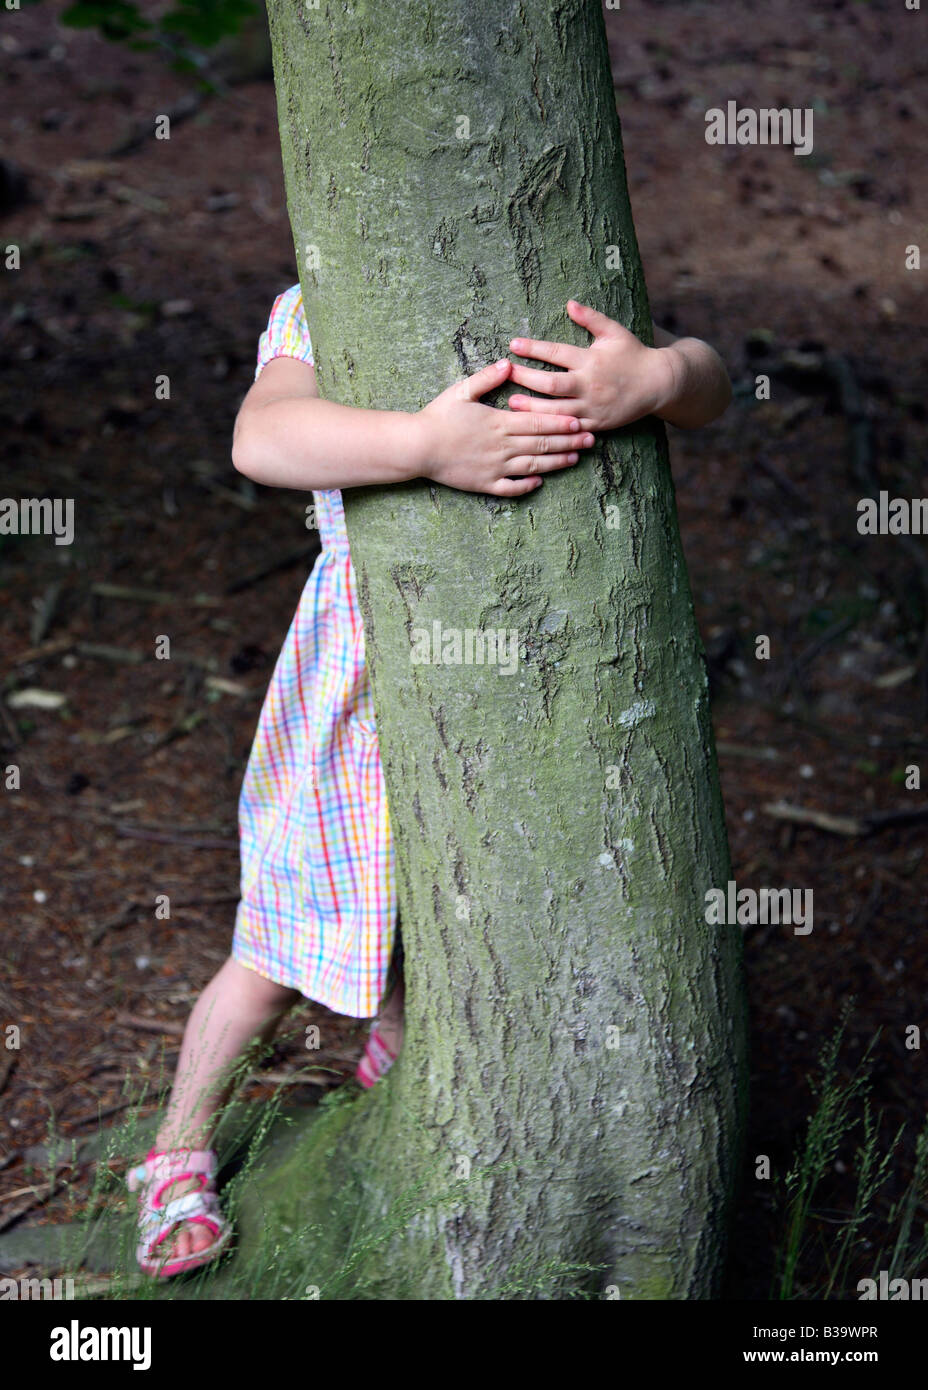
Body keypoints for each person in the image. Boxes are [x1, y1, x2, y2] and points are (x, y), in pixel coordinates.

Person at [127, 285, 732, 1278]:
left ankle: (397, 1049)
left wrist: (662, 374)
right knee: (277, 944)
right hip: (363, 679)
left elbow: (707, 383)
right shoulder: (318, 300)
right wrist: (423, 446)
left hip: (540, 683)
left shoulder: (570, 278)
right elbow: (263, 437)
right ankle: (177, 1147)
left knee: (448, 907)